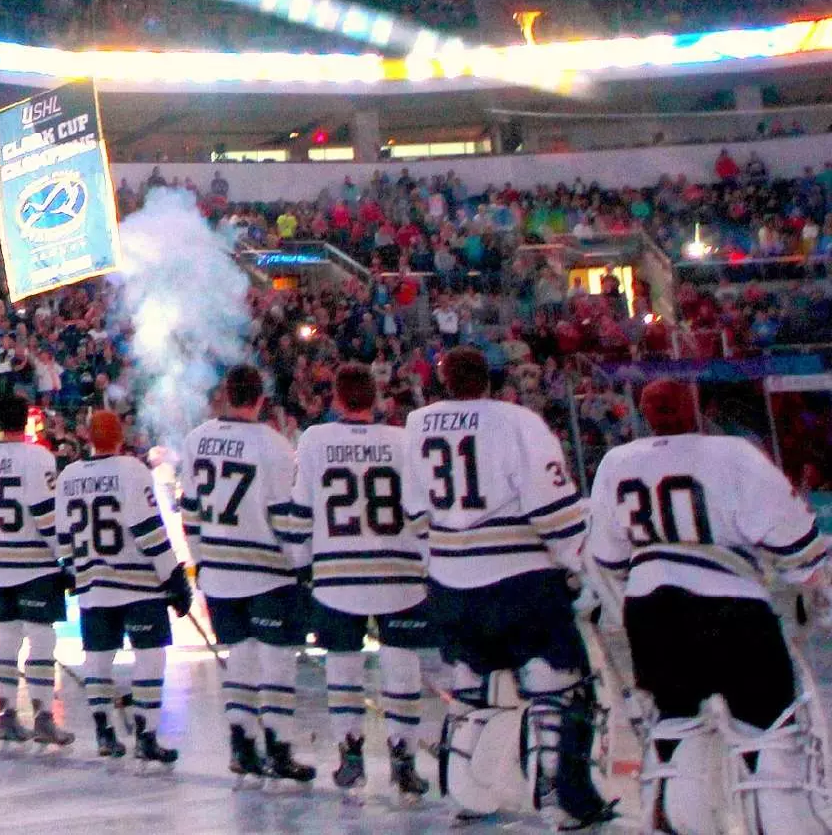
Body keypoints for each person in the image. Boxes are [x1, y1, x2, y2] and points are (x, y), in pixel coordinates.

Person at [590, 379, 831, 833]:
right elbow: (793, 539)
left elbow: (607, 555)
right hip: (731, 609)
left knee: (676, 726)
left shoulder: (615, 463)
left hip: (650, 613)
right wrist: (811, 581)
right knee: (768, 732)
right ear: (696, 407)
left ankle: (680, 822)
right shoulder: (732, 454)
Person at [402, 346, 612, 829]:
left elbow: (415, 515)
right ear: (491, 379)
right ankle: (562, 798)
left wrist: (439, 563)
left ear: (442, 380)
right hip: (520, 584)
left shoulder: (417, 424)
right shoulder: (518, 422)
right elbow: (556, 514)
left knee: (473, 688)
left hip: (450, 586)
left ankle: (467, 792)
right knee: (559, 687)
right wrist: (583, 569)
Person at [294, 363, 429, 796]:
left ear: (336, 399)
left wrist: (301, 566)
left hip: (337, 571)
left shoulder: (316, 439)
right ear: (377, 398)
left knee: (342, 664)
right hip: (399, 568)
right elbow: (419, 510)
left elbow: (303, 508)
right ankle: (403, 759)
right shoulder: (403, 440)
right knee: (402, 665)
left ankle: (350, 756)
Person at [179, 364, 314, 784]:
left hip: (219, 569)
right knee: (276, 662)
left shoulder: (195, 440)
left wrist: (201, 561)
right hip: (267, 571)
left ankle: (242, 744)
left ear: (225, 395)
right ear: (260, 399)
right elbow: (284, 518)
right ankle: (278, 746)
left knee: (238, 658)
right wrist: (303, 569)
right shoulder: (273, 445)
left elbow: (190, 512)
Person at [56, 410, 188, 764]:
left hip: (93, 583)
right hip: (138, 584)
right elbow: (148, 530)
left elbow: (62, 536)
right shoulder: (131, 470)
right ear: (119, 438)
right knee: (150, 655)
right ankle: (146, 736)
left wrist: (71, 569)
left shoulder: (69, 476)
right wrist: (173, 576)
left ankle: (104, 732)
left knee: (97, 659)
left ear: (88, 437)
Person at [0, 395, 69, 745]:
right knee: (42, 638)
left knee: (6, 639)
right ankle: (42, 716)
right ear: (26, 421)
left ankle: (7, 714)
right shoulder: (38, 457)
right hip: (33, 565)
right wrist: (65, 558)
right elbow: (46, 514)